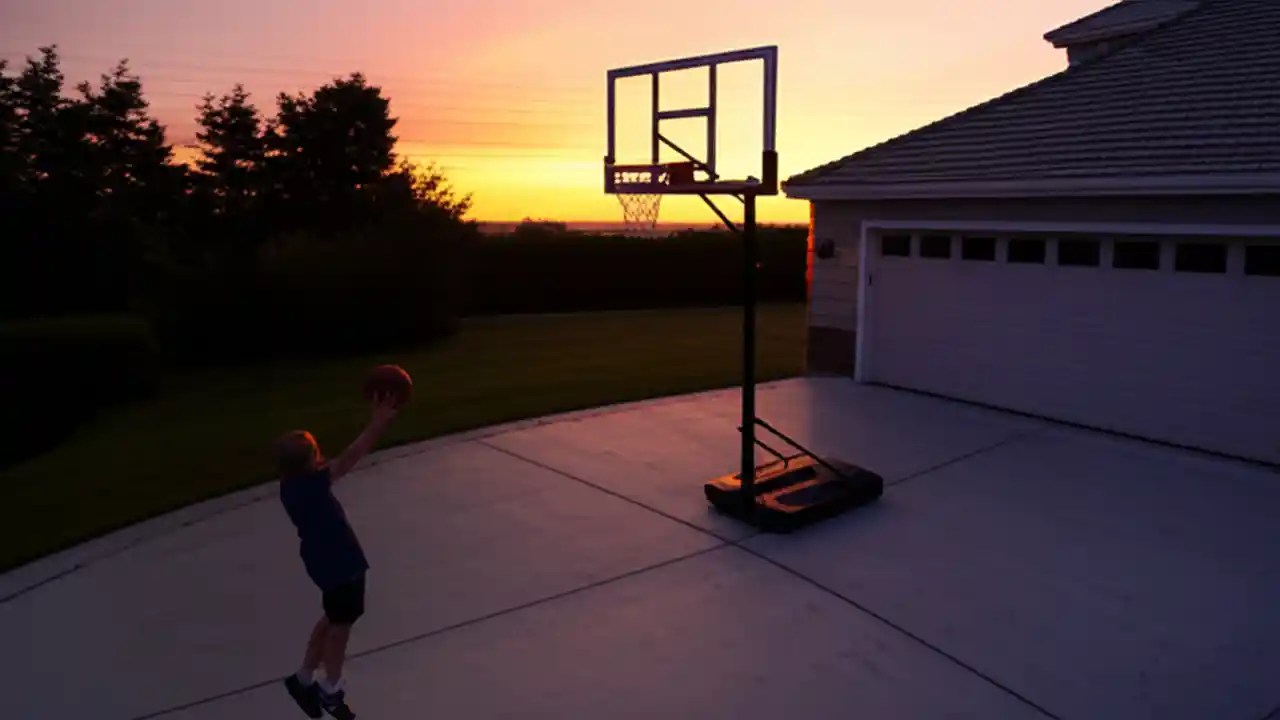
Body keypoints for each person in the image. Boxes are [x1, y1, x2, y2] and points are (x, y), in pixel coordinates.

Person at [276, 392, 400, 719]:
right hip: (339, 562)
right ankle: (330, 688)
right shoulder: (314, 485)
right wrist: (378, 422)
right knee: (340, 625)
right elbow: (351, 455)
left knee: (332, 616)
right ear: (308, 462)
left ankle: (303, 678)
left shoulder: (289, 488)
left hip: (322, 561)